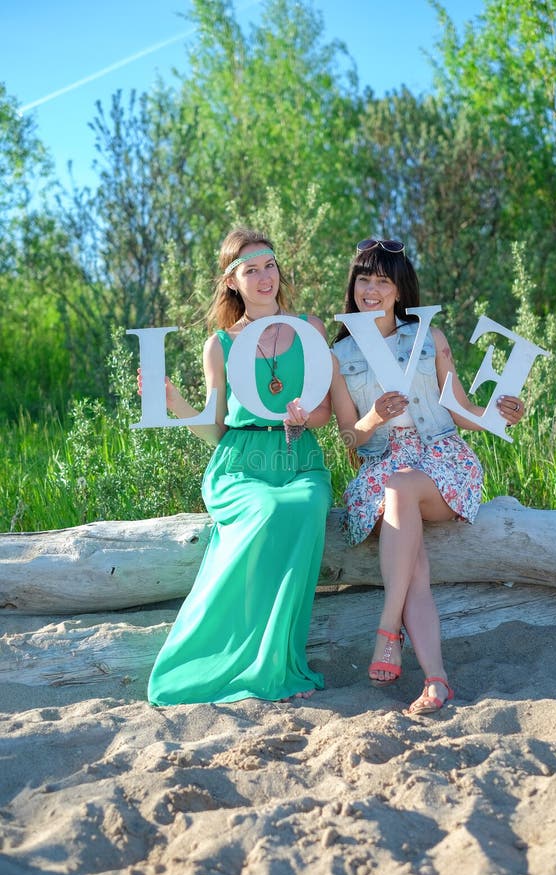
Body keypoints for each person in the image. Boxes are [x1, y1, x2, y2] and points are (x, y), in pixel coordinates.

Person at [330, 237, 525, 715]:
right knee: (412, 567)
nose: (371, 290)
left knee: (402, 487)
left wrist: (500, 415)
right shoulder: (340, 354)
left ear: (400, 289)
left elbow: (459, 411)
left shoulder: (428, 338)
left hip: (439, 460)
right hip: (381, 467)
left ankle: (386, 629)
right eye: (363, 279)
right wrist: (374, 417)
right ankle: (436, 680)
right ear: (352, 287)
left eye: (382, 281)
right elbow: (348, 438)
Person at [145, 228, 332, 705]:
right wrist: (175, 404)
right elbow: (217, 428)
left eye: (270, 266)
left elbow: (325, 412)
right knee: (268, 510)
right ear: (232, 281)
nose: (265, 277)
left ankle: (277, 660)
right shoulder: (220, 345)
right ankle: (220, 656)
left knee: (308, 502)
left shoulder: (309, 329)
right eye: (251, 270)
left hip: (299, 457)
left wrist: (302, 417)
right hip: (240, 464)